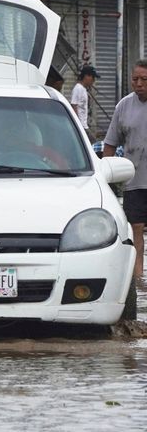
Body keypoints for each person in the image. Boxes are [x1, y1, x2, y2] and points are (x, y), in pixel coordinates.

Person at [104, 60, 147, 285]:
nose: (139, 84)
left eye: (144, 80)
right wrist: (106, 177)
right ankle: (137, 279)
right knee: (135, 229)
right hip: (135, 180)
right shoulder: (124, 106)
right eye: (135, 79)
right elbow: (110, 144)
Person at [72, 65, 98, 141]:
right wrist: (77, 125)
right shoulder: (78, 88)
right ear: (86, 76)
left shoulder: (83, 89)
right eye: (92, 78)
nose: (93, 81)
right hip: (81, 126)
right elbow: (74, 106)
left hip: (84, 125)